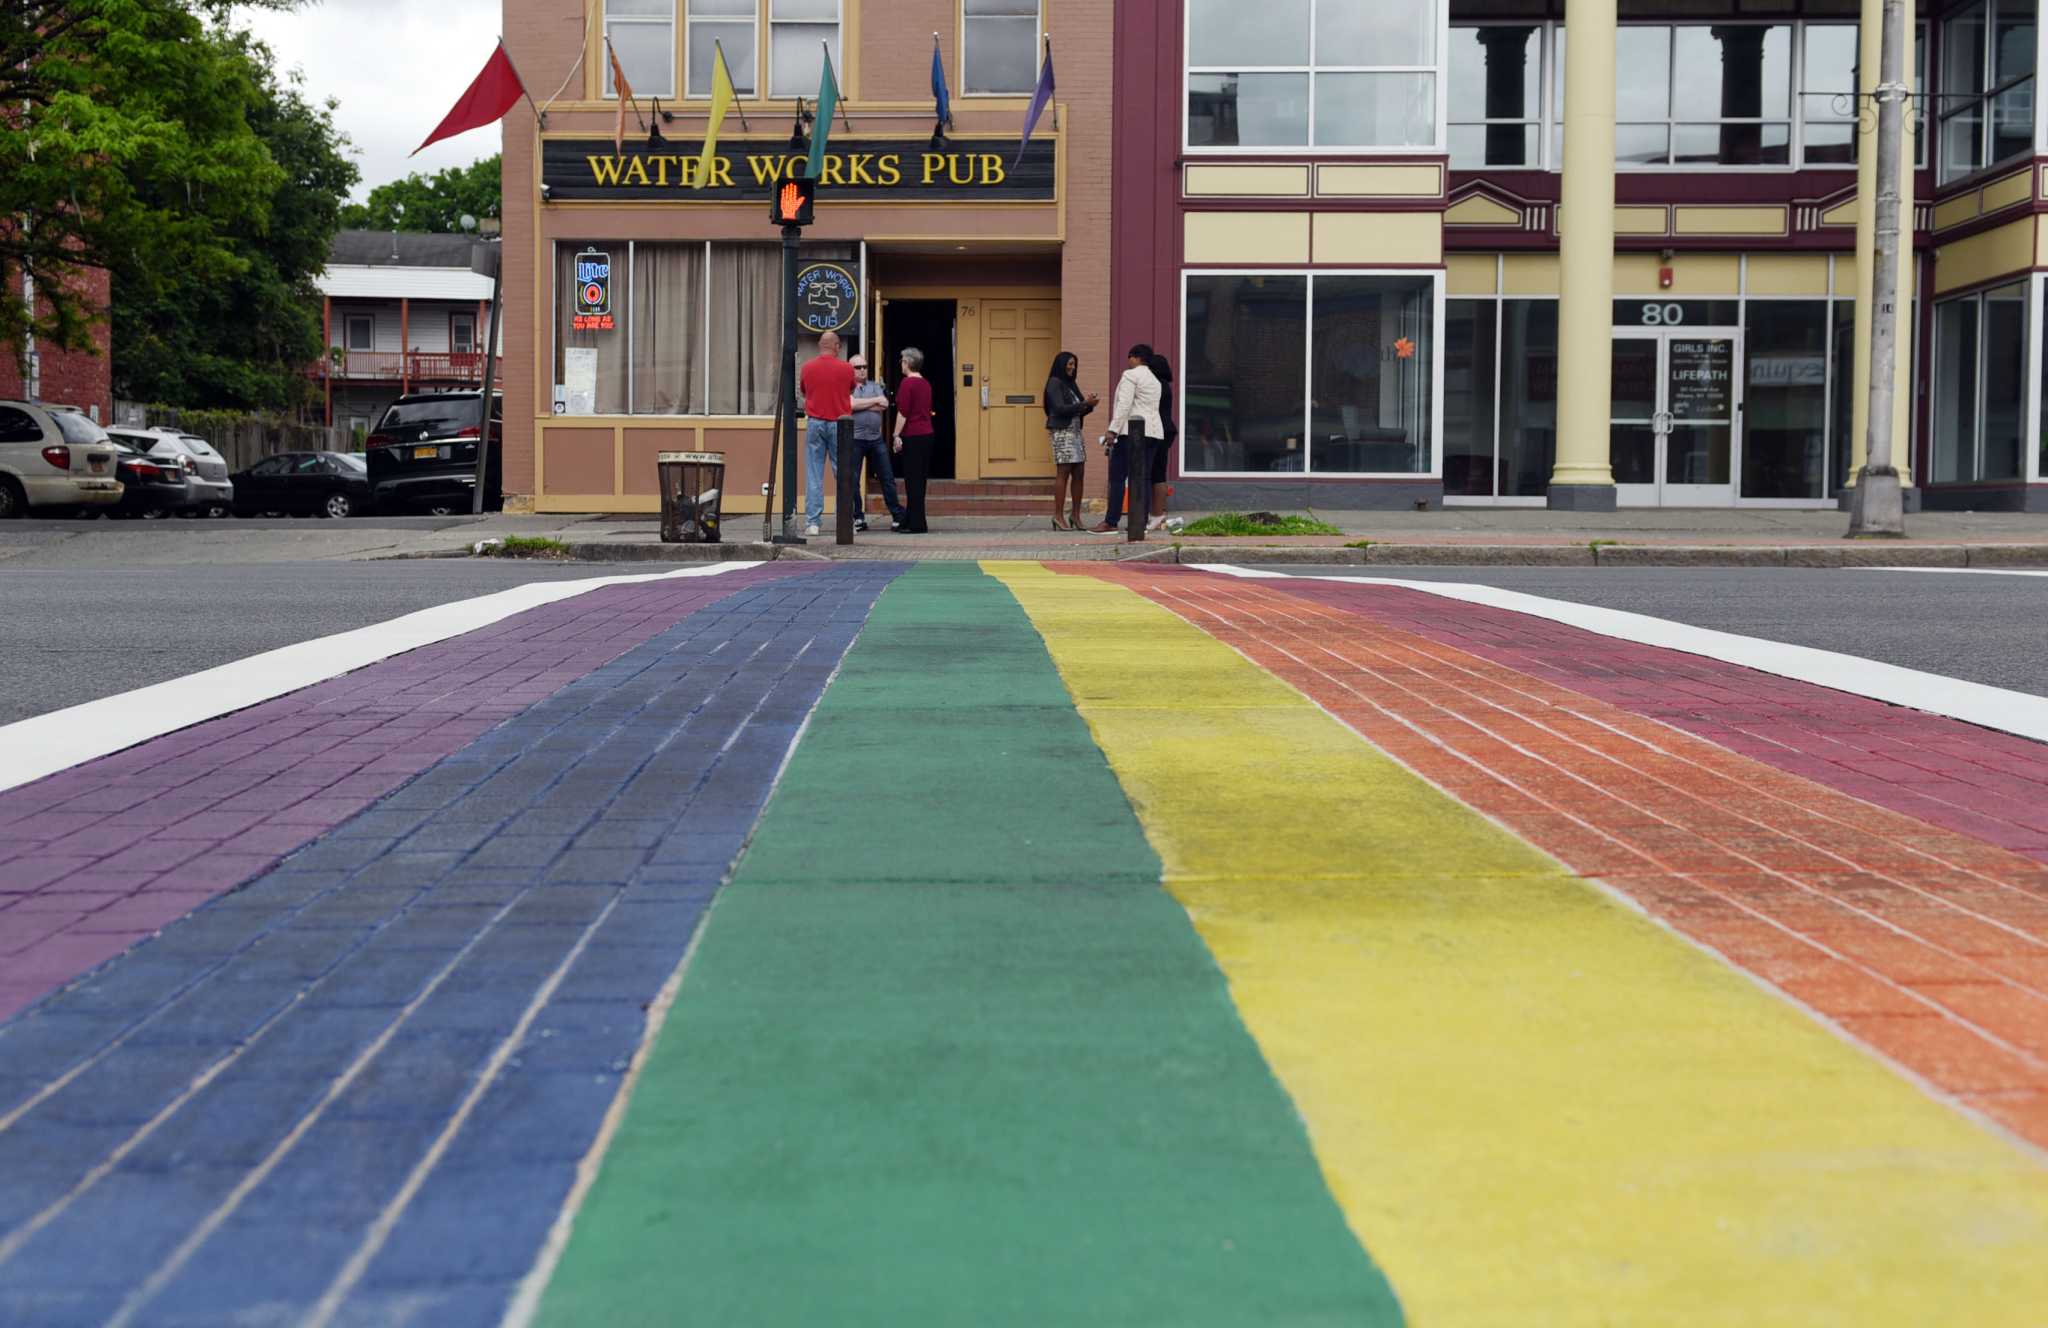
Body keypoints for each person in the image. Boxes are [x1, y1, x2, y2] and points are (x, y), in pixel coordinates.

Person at [1091, 343, 1163, 537]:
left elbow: (1124, 405)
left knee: (1117, 476)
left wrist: (1112, 431)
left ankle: (1111, 521)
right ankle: (1140, 521)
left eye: (1129, 357)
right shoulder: (1155, 380)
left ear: (1134, 357)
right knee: (1143, 477)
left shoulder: (1130, 375)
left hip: (1131, 433)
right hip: (1154, 432)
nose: (1128, 361)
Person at [798, 330, 857, 537]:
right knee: (842, 473)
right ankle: (847, 520)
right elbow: (851, 390)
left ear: (820, 345)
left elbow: (804, 391)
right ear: (837, 346)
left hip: (815, 422)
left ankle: (813, 522)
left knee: (814, 473)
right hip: (840, 424)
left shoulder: (807, 367)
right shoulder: (847, 368)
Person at [1042, 351, 1098, 531]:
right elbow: (1059, 409)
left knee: (1079, 472)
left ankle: (1075, 515)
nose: (1072, 367)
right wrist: (1084, 404)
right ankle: (1058, 515)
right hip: (1061, 432)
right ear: (1061, 364)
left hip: (1075, 431)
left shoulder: (1071, 384)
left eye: (1074, 364)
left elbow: (1079, 409)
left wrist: (1089, 405)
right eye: (1069, 364)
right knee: (1063, 471)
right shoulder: (1054, 383)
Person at [848, 353, 904, 532]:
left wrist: (860, 404)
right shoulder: (846, 387)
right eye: (858, 367)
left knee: (887, 478)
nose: (863, 370)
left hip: (876, 439)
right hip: (855, 439)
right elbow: (850, 405)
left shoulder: (874, 385)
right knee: (853, 479)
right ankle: (858, 517)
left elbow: (885, 404)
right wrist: (873, 402)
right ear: (850, 369)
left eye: (864, 366)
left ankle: (897, 515)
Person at [893, 347, 935, 534]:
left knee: (912, 481)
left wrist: (895, 435)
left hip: (913, 435)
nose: (900, 364)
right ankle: (911, 519)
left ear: (908, 363)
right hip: (927, 435)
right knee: (920, 479)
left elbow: (903, 412)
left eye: (902, 360)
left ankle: (916, 523)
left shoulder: (907, 384)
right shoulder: (926, 384)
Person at [1144, 352, 1177, 532]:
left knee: (1156, 473)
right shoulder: (1165, 385)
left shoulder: (1158, 385)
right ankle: (1158, 514)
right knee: (1159, 472)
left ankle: (1157, 515)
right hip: (1167, 429)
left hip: (1160, 431)